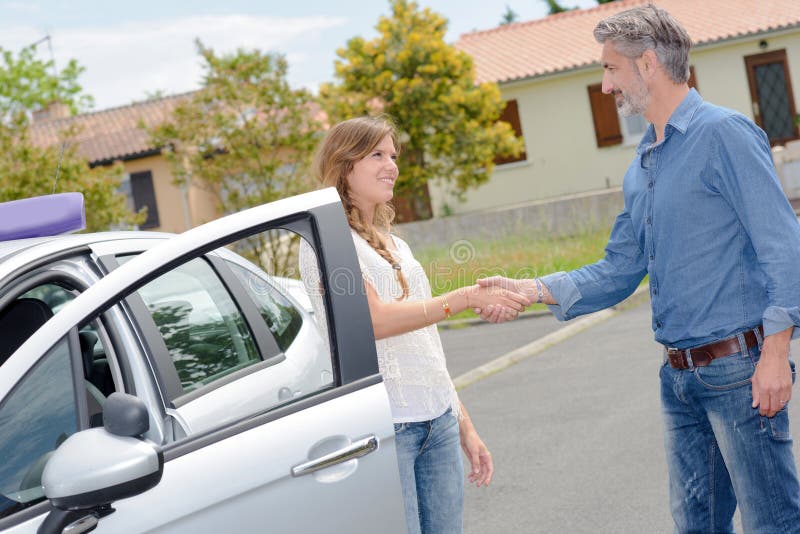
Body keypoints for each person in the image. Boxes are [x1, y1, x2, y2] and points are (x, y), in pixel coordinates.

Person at [477, 4, 800, 533]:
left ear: (648, 63)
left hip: (737, 372)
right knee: (696, 526)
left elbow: (784, 248)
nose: (605, 86)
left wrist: (776, 353)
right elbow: (619, 268)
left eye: (610, 69)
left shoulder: (725, 135)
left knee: (774, 524)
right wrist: (533, 288)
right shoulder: (643, 164)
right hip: (677, 379)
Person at [299, 115, 530, 534]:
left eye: (393, 155)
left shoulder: (396, 244)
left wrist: (464, 424)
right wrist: (465, 297)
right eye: (378, 155)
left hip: (438, 419)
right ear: (344, 164)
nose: (392, 165)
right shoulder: (324, 242)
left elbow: (426, 344)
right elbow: (373, 322)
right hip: (387, 428)